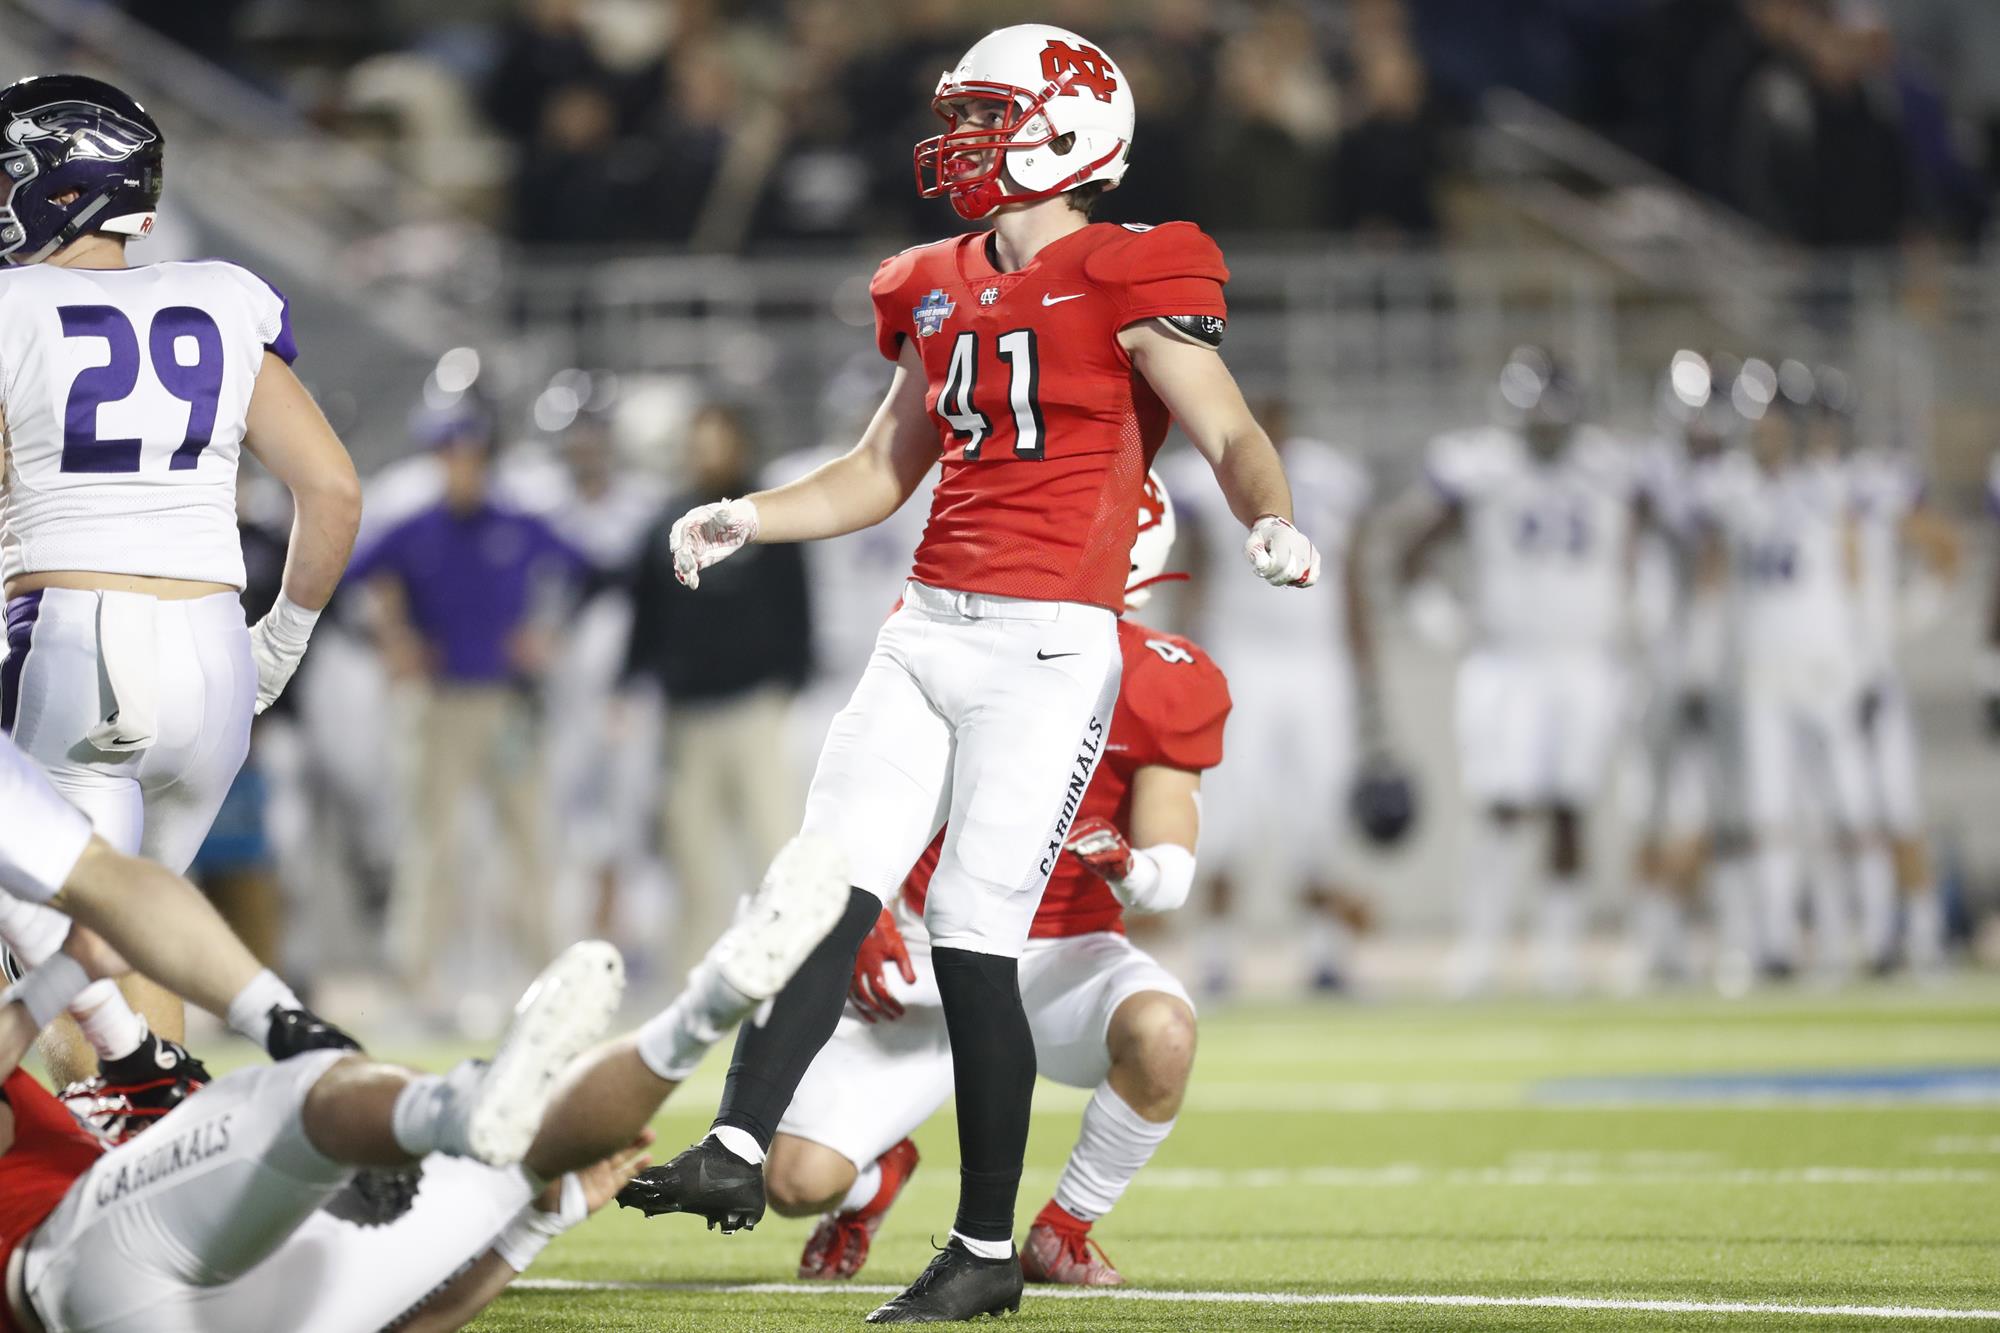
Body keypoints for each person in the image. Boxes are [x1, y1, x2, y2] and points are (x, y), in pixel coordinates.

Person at [617, 23, 1321, 1323]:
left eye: (990, 117)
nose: (964, 140)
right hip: (927, 621)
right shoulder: (931, 278)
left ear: (1068, 129)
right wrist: (749, 513)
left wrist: (1267, 514)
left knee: (973, 944)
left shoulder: (1130, 271)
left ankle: (988, 1249)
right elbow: (883, 469)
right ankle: (733, 1142)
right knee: (822, 887)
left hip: (1047, 644)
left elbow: (1226, 425)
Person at [0, 718, 854, 1332]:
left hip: (107, 1284)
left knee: (537, 1162)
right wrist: (70, 980)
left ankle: (714, 998)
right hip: (74, 1259)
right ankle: (466, 1102)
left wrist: (532, 1223)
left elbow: (416, 1320)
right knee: (306, 1088)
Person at [754, 475, 1228, 1289]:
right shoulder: (952, 637)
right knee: (793, 1181)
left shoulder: (1159, 677)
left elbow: (1170, 873)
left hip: (1056, 956)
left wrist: (1131, 867)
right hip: (928, 952)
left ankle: (1063, 1226)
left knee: (1164, 1034)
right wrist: (860, 904)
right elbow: (872, 788)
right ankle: (877, 1174)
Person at [0, 74, 362, 1090]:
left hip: (74, 645)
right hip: (213, 650)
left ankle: (110, 1184)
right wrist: (278, 645)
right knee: (137, 934)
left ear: (59, 187)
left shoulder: (11, 305)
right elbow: (331, 490)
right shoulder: (220, 294)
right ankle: (173, 1185)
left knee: (71, 961)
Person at [1399, 349, 1641, 997]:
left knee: (1569, 807)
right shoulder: (1483, 465)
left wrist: (1642, 607)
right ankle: (1479, 947)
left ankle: (1559, 954)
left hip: (1584, 657)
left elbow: (1654, 533)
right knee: (1498, 804)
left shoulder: (1610, 467)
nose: (1544, 431)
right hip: (1507, 659)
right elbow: (1412, 542)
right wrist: (1437, 615)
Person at [348, 402, 589, 1013]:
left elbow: (591, 573)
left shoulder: (515, 522)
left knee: (529, 838)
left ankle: (544, 975)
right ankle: (417, 978)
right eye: (451, 454)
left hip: (506, 701)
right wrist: (392, 635)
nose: (461, 466)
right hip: (439, 704)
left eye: (470, 454)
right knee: (433, 845)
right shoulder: (416, 529)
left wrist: (548, 632)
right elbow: (354, 578)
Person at [1164, 401, 1381, 995]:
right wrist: (1184, 660)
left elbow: (1353, 583)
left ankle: (1326, 956)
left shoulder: (1331, 480)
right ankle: (1215, 957)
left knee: (1320, 812)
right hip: (1241, 657)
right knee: (1227, 814)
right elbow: (1194, 572)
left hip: (1317, 659)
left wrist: (1368, 679)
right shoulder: (1211, 476)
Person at [1692, 361, 1885, 978]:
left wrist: (1866, 662)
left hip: (1828, 664)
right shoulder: (1731, 487)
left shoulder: (1833, 485)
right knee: (1770, 813)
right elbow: (1714, 579)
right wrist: (1701, 664)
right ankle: (1774, 940)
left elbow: (1856, 580)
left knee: (1851, 808)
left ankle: (1876, 937)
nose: (1764, 431)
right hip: (1763, 670)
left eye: (1774, 419)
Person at [623, 404, 814, 981]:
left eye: (718, 440)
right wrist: (632, 680)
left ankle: (794, 974)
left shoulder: (767, 513)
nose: (708, 453)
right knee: (692, 857)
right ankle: (697, 982)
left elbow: (796, 599)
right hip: (687, 715)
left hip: (753, 707)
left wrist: (792, 677)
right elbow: (646, 612)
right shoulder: (666, 520)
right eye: (699, 441)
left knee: (772, 845)